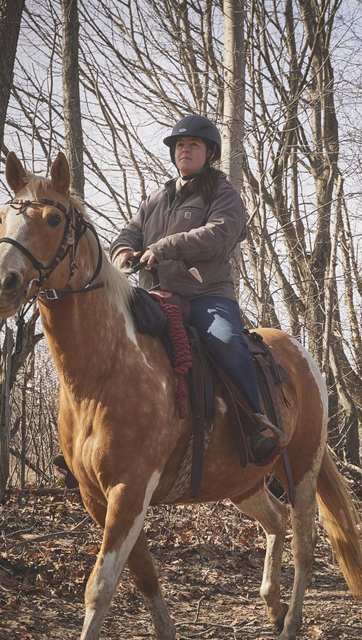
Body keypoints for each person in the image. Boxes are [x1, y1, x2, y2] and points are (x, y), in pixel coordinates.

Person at [110, 114, 277, 462]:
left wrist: (165, 247)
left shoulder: (222, 192)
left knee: (227, 340)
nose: (184, 150)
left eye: (193, 145)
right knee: (102, 333)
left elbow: (220, 235)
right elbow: (129, 232)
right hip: (150, 295)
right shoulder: (156, 197)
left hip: (206, 295)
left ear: (209, 153)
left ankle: (256, 423)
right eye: (180, 145)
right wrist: (123, 251)